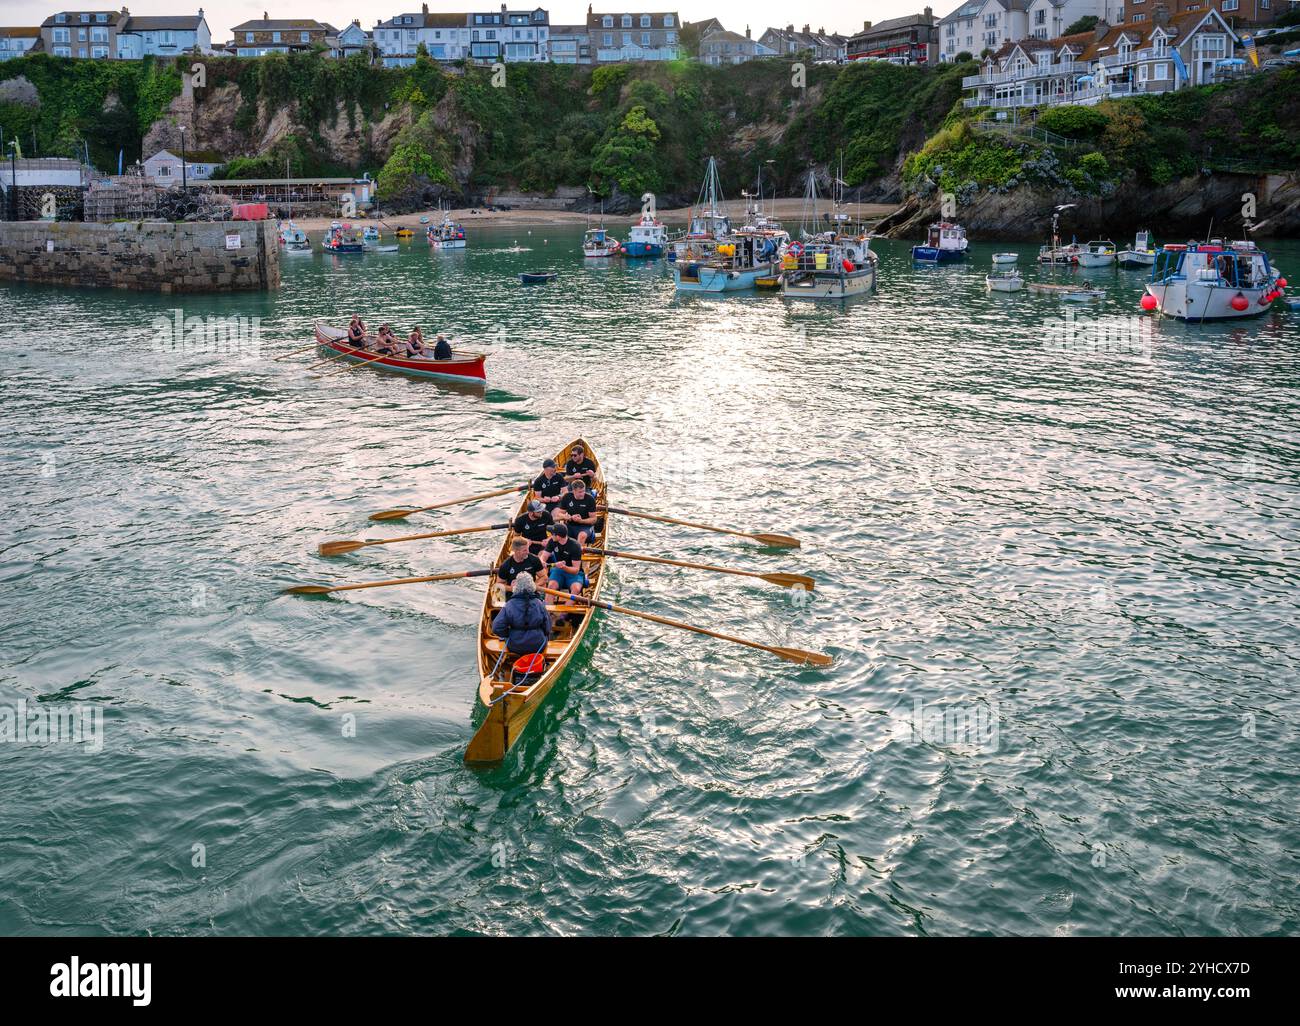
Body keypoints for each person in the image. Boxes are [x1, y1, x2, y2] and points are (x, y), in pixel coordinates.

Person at [490, 574, 552, 656]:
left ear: (516, 587)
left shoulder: (509, 604)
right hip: (538, 645)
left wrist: (508, 634)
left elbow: (496, 627)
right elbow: (547, 627)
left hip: (515, 645)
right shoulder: (539, 604)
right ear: (532, 586)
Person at [545, 522, 587, 600]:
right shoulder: (552, 541)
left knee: (576, 590)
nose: (550, 535)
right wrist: (542, 562)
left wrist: (564, 567)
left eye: (552, 534)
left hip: (573, 573)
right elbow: (543, 556)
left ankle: (565, 608)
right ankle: (548, 607)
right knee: (551, 587)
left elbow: (576, 570)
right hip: (558, 570)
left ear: (558, 536)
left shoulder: (575, 546)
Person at [554, 476, 599, 545]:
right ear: (573, 491)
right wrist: (566, 516)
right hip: (570, 525)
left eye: (583, 491)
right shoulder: (567, 497)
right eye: (580, 492)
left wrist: (581, 521)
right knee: (558, 534)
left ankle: (577, 550)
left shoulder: (590, 499)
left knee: (582, 535)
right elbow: (559, 514)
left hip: (585, 526)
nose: (582, 494)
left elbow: (594, 519)